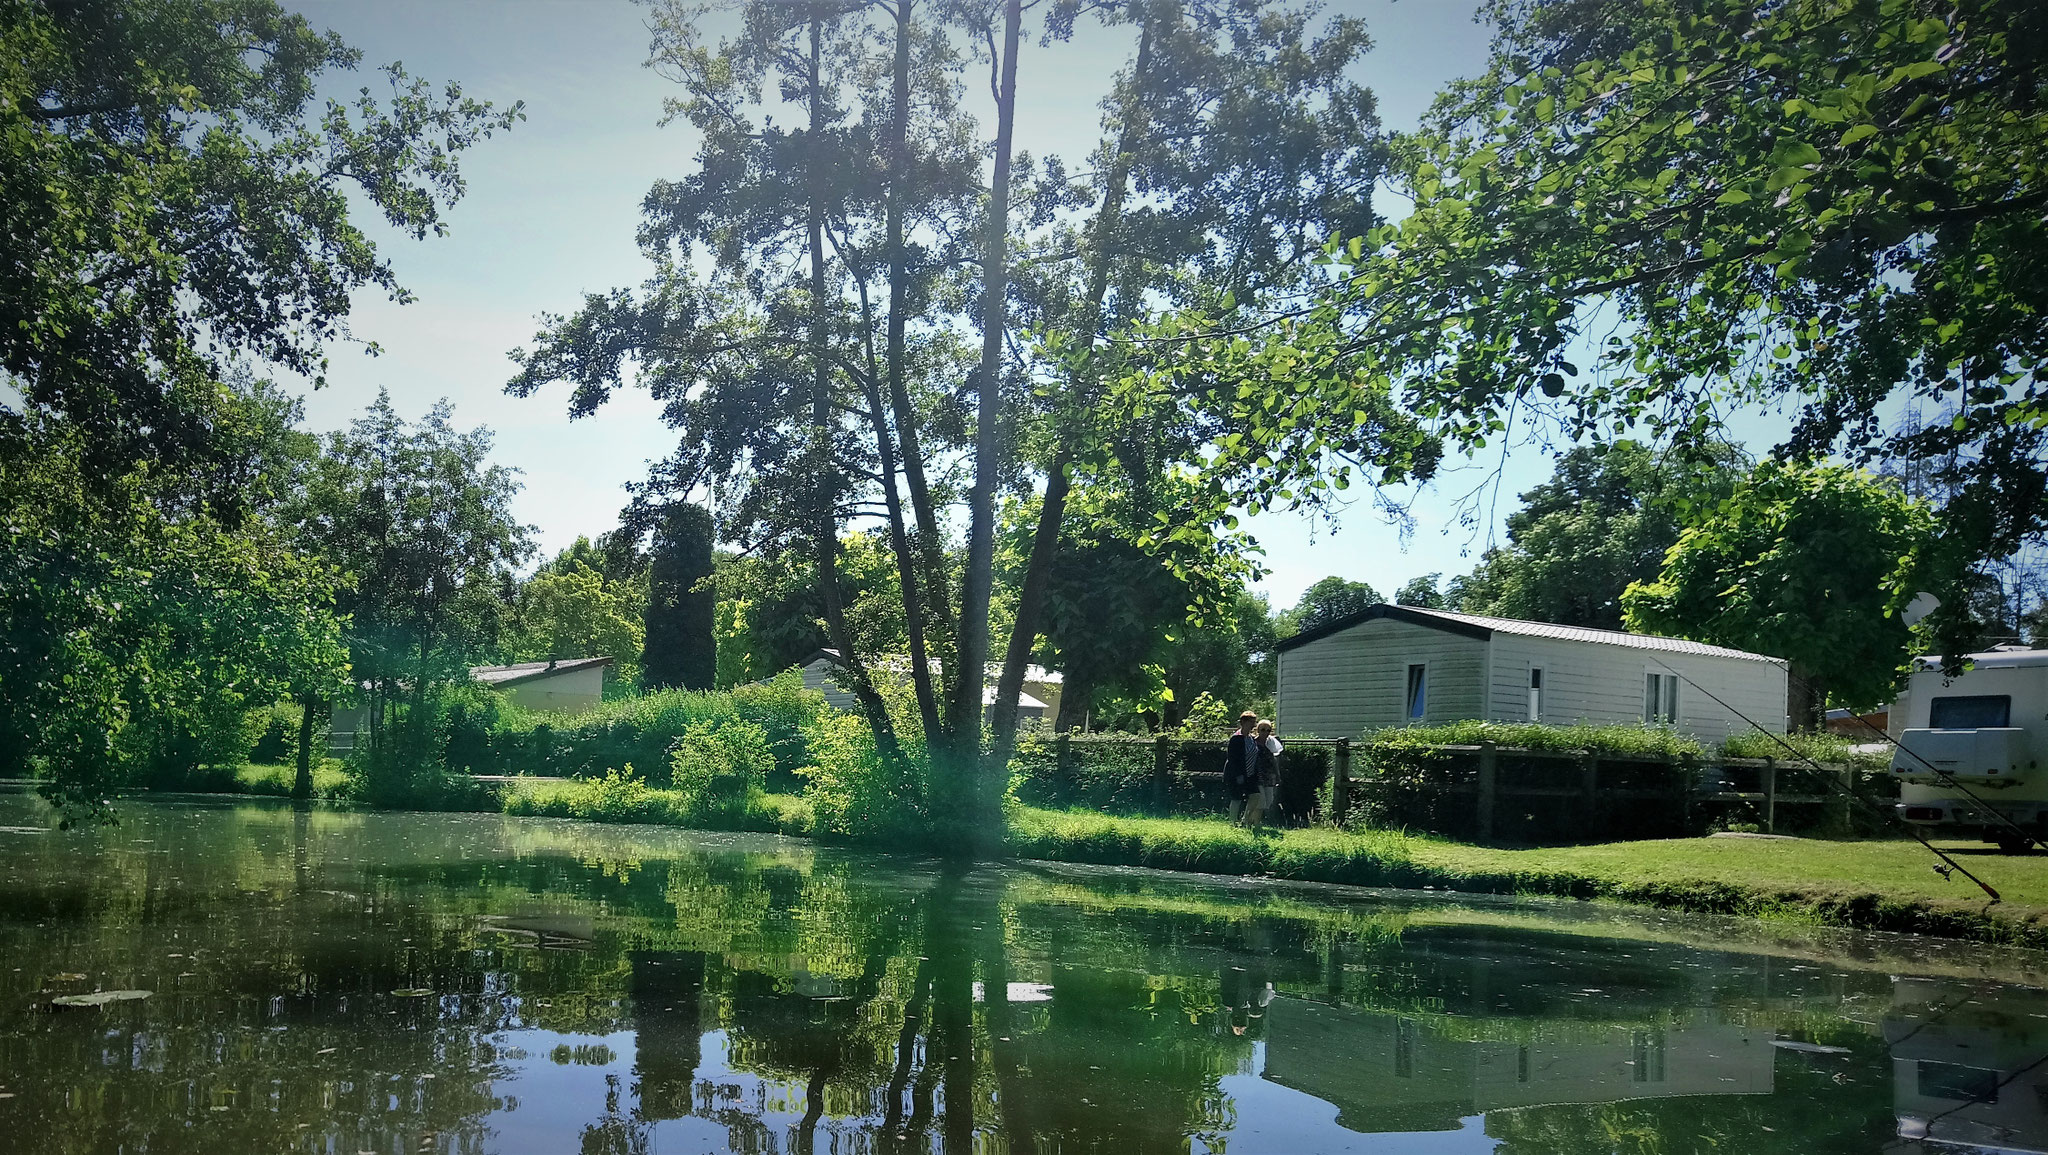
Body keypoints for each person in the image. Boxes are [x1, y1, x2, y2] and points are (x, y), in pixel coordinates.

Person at [1223, 711, 1259, 823]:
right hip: (1236, 774)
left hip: (1250, 774)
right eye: (1251, 722)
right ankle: (1232, 822)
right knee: (1236, 799)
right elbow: (1233, 759)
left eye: (1254, 722)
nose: (1253, 725)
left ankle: (1245, 820)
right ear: (1243, 722)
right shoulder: (1236, 738)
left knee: (1255, 796)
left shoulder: (1252, 738)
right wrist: (1239, 775)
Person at [1248, 719, 1283, 826]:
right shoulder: (1252, 742)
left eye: (1268, 730)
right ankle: (1254, 823)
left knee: (1268, 801)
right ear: (1258, 730)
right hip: (1257, 775)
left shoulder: (1271, 743)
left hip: (1269, 776)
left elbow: (1274, 760)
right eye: (1263, 730)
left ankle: (1251, 821)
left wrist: (1277, 776)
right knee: (1260, 801)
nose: (1265, 732)